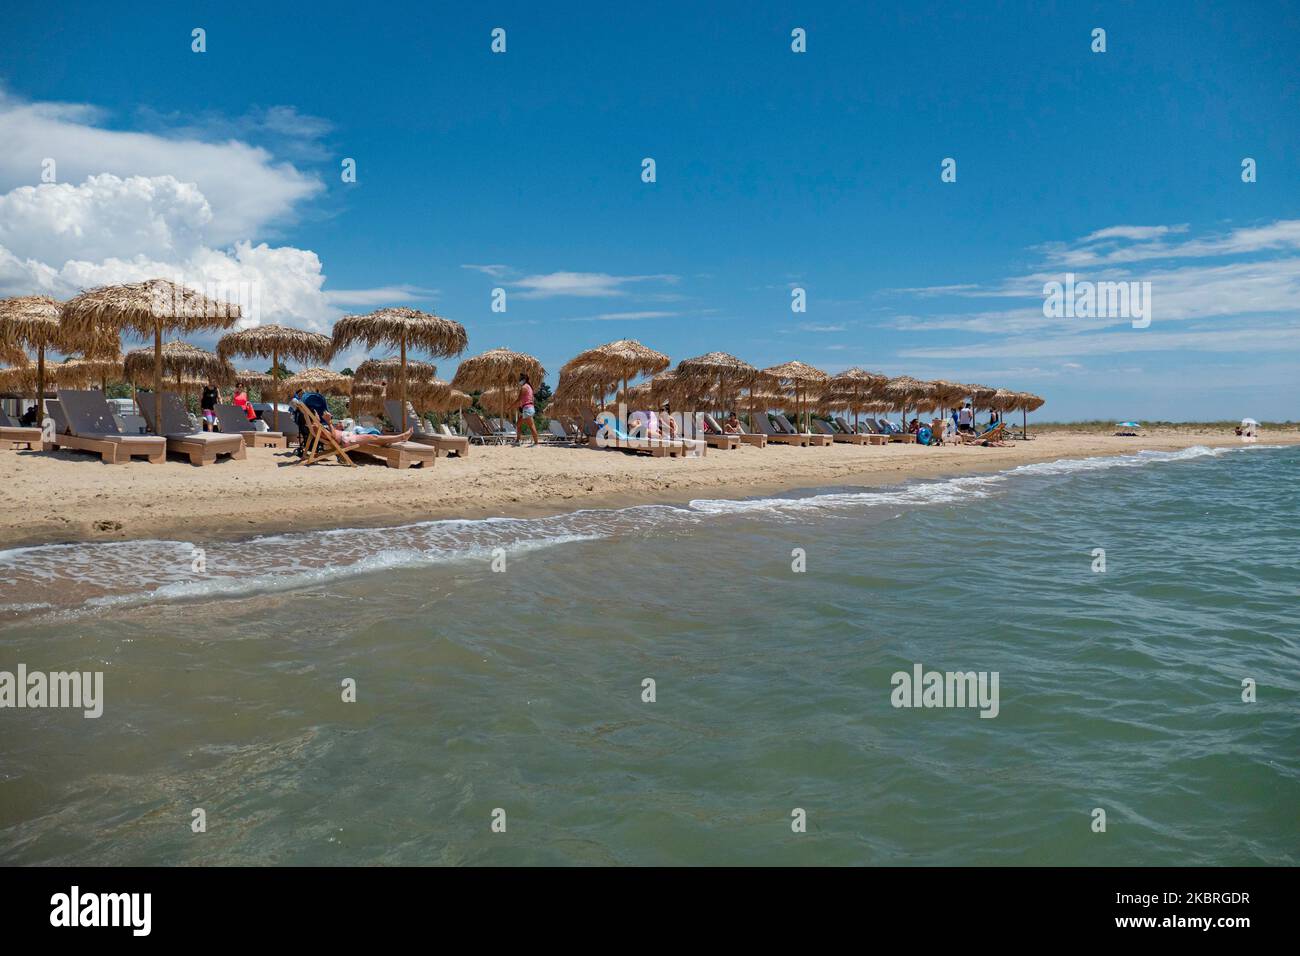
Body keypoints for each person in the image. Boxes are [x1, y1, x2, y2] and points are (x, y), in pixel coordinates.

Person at [515, 373, 539, 447]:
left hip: (527, 408)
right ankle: (517, 440)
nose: (519, 380)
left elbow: (519, 399)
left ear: (524, 380)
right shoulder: (529, 387)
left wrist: (510, 406)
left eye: (520, 379)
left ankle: (536, 443)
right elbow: (531, 399)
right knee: (518, 424)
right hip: (529, 408)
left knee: (531, 426)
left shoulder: (524, 387)